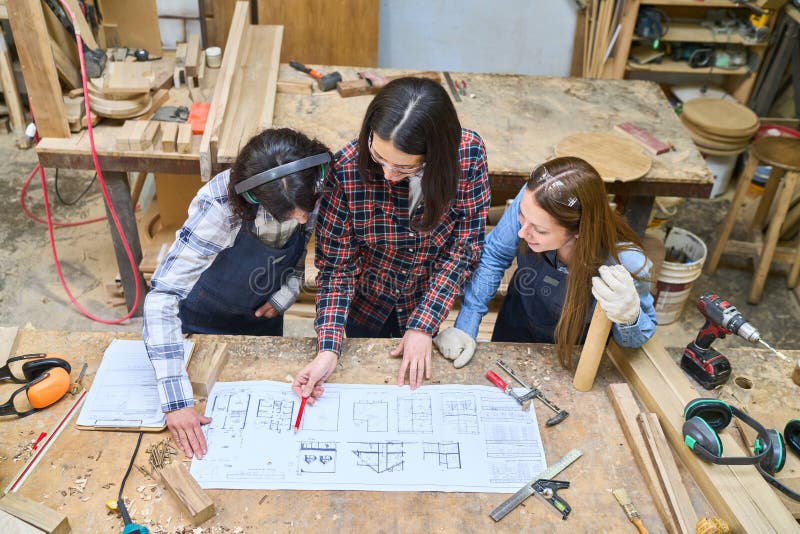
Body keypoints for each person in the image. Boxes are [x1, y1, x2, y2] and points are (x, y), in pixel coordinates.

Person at [292, 77, 491, 403]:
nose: (386, 174)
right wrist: (329, 346)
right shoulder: (345, 170)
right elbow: (336, 269)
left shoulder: (467, 156)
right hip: (362, 305)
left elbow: (464, 246)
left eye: (403, 167)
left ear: (435, 156)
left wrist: (424, 324)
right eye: (378, 156)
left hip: (424, 300)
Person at [143, 128, 332, 459]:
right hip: (201, 323)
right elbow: (161, 297)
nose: (303, 218)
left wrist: (287, 290)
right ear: (255, 200)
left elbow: (301, 249)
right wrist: (175, 401)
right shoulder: (221, 207)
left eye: (306, 208)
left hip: (262, 319)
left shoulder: (311, 183)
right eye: (287, 215)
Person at [434, 156, 657, 369]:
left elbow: (637, 340)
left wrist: (629, 318)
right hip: (518, 317)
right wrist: (466, 325)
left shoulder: (626, 262)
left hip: (574, 345)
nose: (522, 232)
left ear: (578, 230)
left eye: (540, 230)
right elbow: (495, 255)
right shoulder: (534, 200)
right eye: (521, 216)